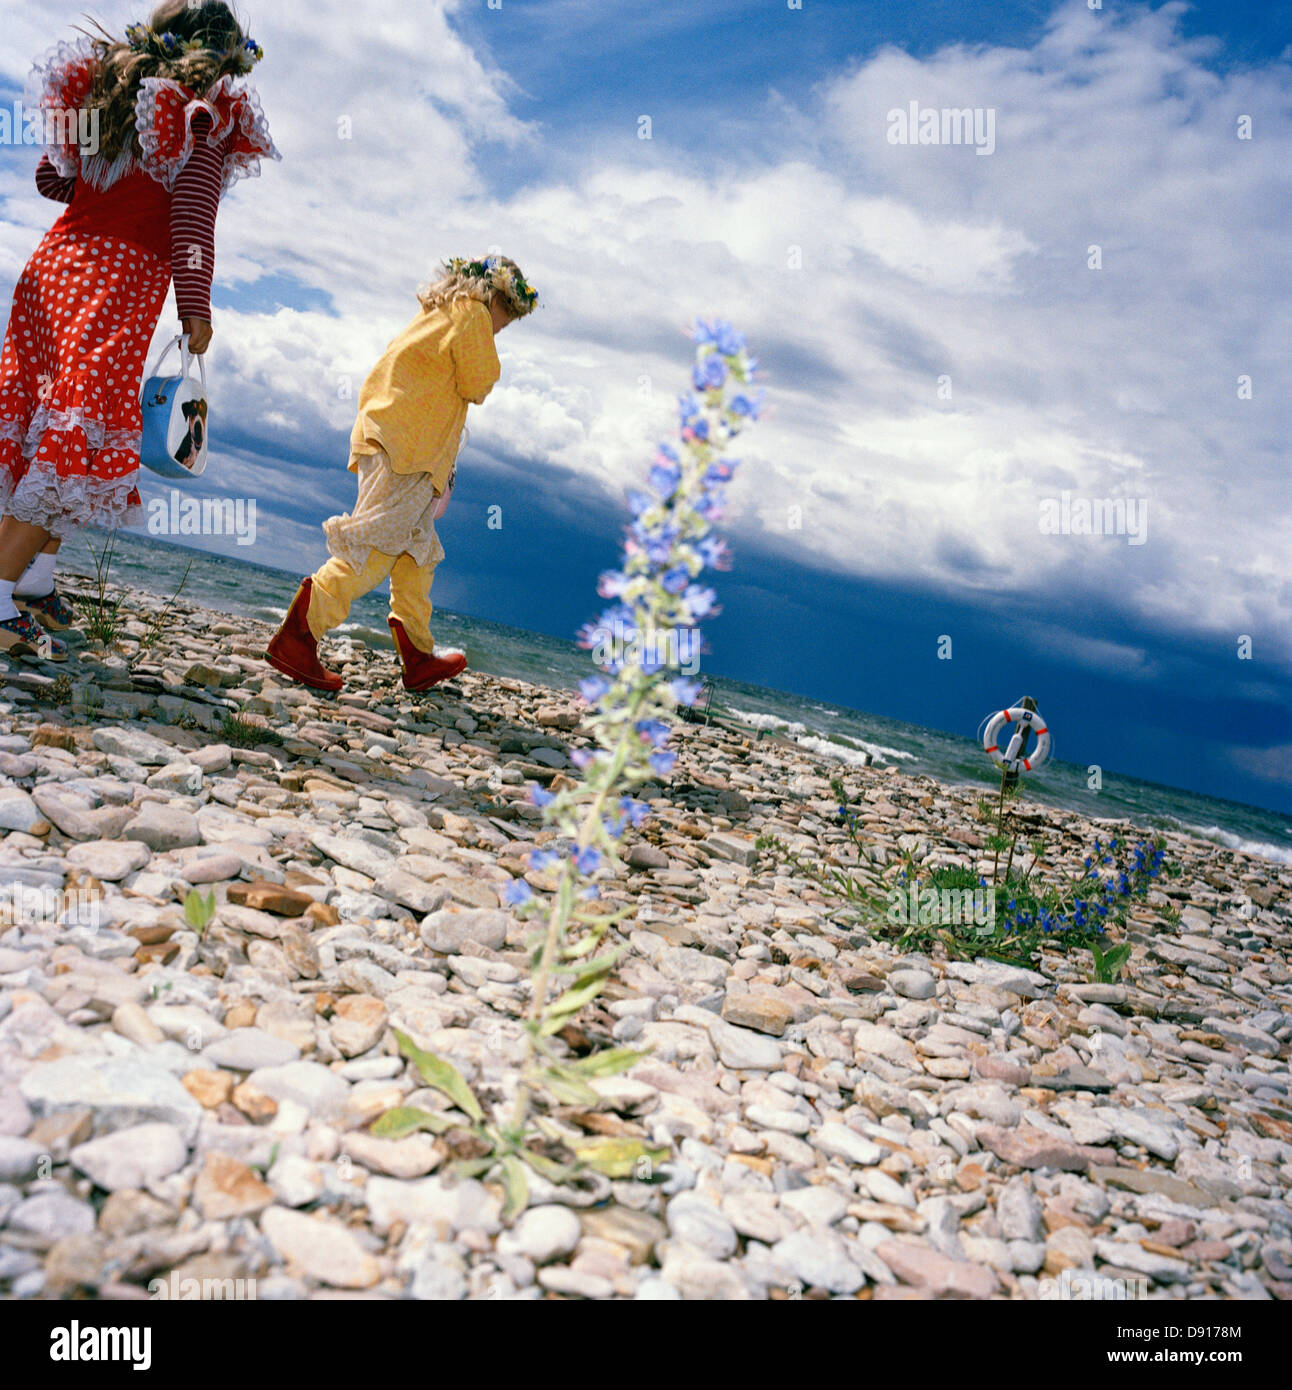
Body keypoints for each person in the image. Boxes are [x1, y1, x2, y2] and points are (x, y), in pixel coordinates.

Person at [0, 0, 278, 657]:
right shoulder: (201, 120)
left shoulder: (114, 100)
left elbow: (50, 178)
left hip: (56, 269)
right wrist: (196, 307)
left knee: (56, 426)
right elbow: (192, 223)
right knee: (76, 431)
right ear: (225, 61)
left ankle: (34, 578)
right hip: (118, 286)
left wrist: (115, 187)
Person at [266, 255, 538, 693]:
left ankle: (417, 655)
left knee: (416, 551)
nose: (502, 329)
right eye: (506, 318)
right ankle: (299, 636)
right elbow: (479, 382)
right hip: (406, 449)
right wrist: (488, 335)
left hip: (397, 442)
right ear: (496, 298)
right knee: (375, 550)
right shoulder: (472, 314)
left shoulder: (439, 312)